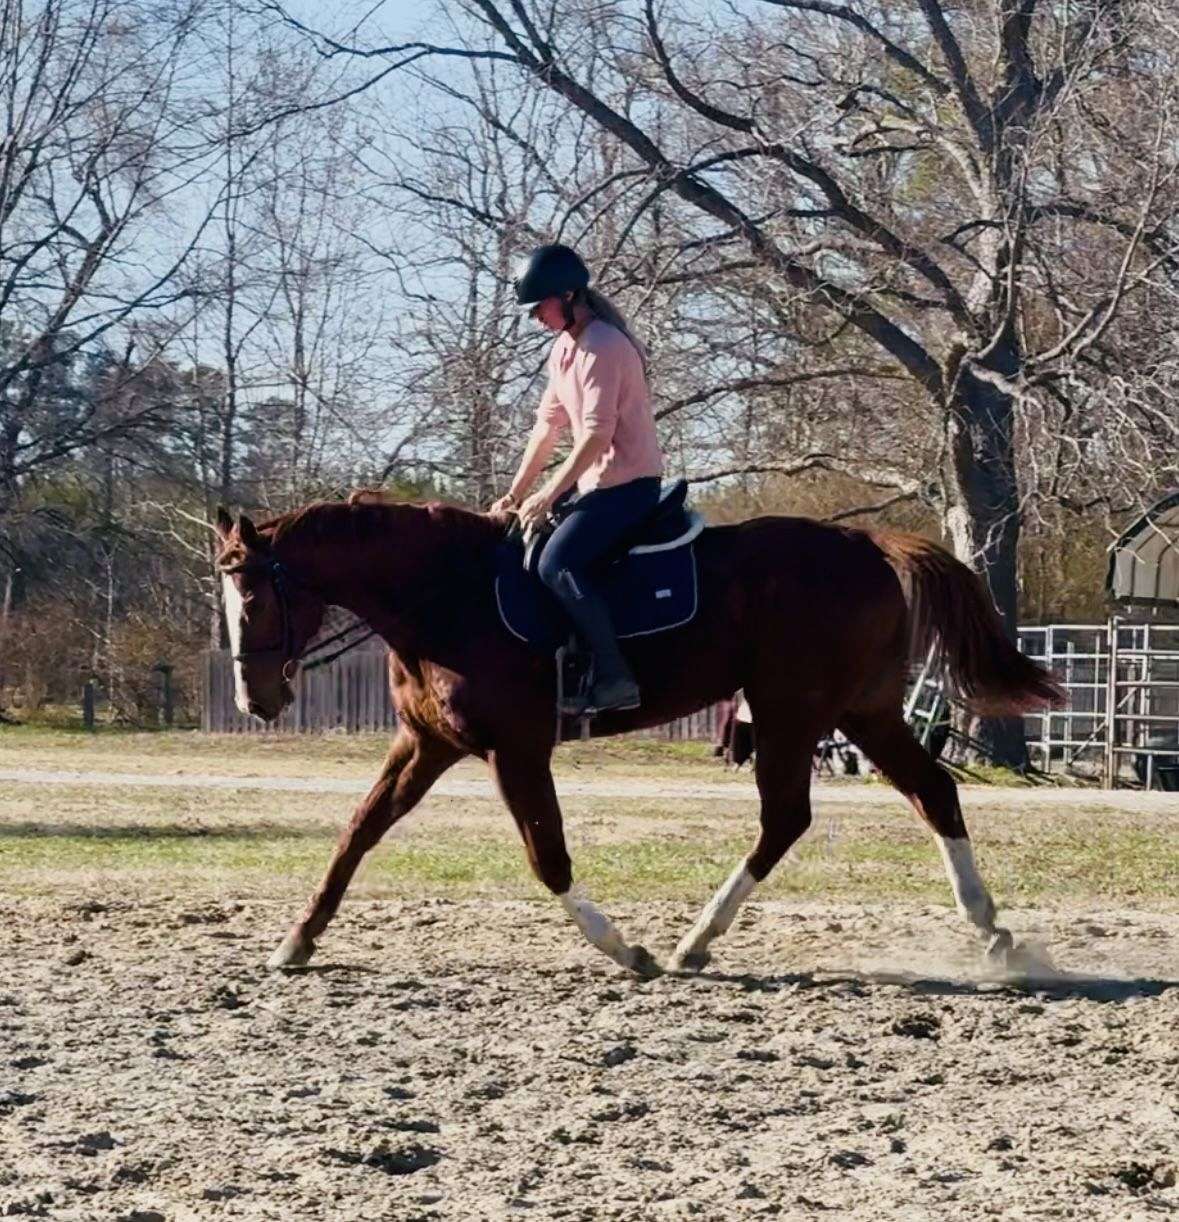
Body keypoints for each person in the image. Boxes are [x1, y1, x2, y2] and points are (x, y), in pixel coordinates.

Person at [491, 244, 664, 714]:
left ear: (568, 295)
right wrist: (515, 493)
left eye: (539, 306)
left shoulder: (603, 346)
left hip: (629, 488)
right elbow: (548, 427)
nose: (535, 318)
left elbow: (595, 433)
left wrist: (548, 494)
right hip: (596, 488)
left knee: (557, 564)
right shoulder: (564, 350)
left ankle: (615, 676)